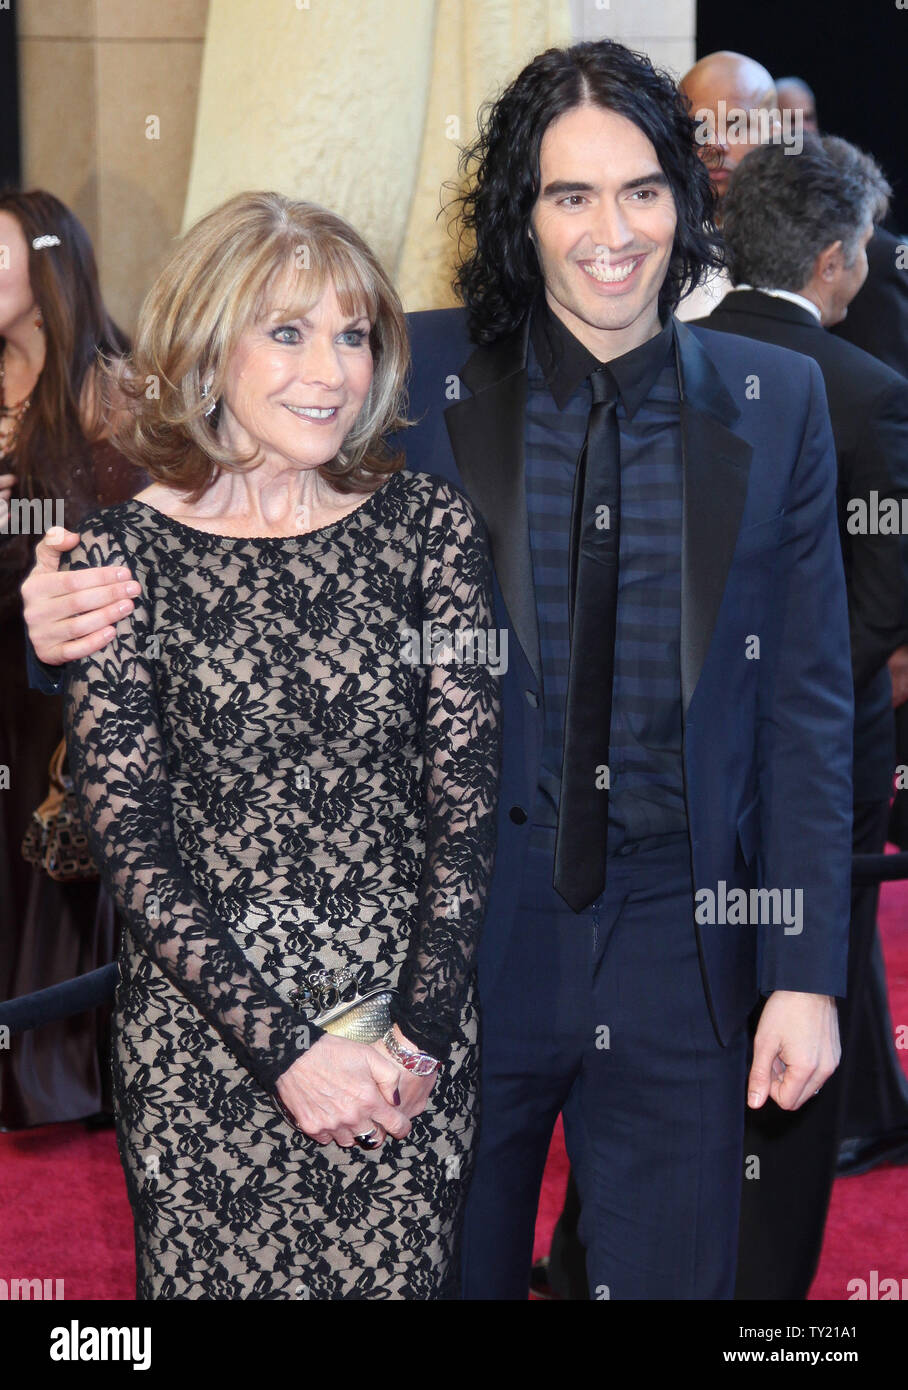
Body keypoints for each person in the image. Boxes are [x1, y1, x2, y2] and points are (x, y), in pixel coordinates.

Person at [22, 39, 852, 1302]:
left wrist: (802, 972)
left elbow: (805, 709)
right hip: (449, 957)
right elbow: (221, 532)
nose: (609, 231)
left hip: (682, 951)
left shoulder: (776, 399)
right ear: (521, 215)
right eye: (567, 195)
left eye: (639, 188)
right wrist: (64, 619)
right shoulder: (398, 368)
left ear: (688, 198)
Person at [26, 191, 502, 1299]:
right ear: (205, 347)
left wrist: (414, 1041)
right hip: (201, 1045)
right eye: (286, 332)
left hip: (402, 1040)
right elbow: (133, 844)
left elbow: (464, 813)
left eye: (352, 333)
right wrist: (285, 1050)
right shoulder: (118, 554)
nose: (330, 370)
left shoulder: (428, 530)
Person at [696, 132, 908, 1297]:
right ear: (831, 259)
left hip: (675, 757)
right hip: (821, 759)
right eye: (865, 249)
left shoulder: (663, 359)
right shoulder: (869, 394)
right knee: (801, 996)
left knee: (678, 1004)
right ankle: (761, 1287)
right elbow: (876, 605)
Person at [0, 189, 141, 1130]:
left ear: (46, 276)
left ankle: (58, 1073)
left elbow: (135, 543)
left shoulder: (113, 394)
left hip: (56, 688)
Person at [675, 51, 781, 322]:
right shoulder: (650, 238)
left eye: (737, 125)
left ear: (775, 133)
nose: (717, 143)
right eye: (700, 127)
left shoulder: (816, 240)